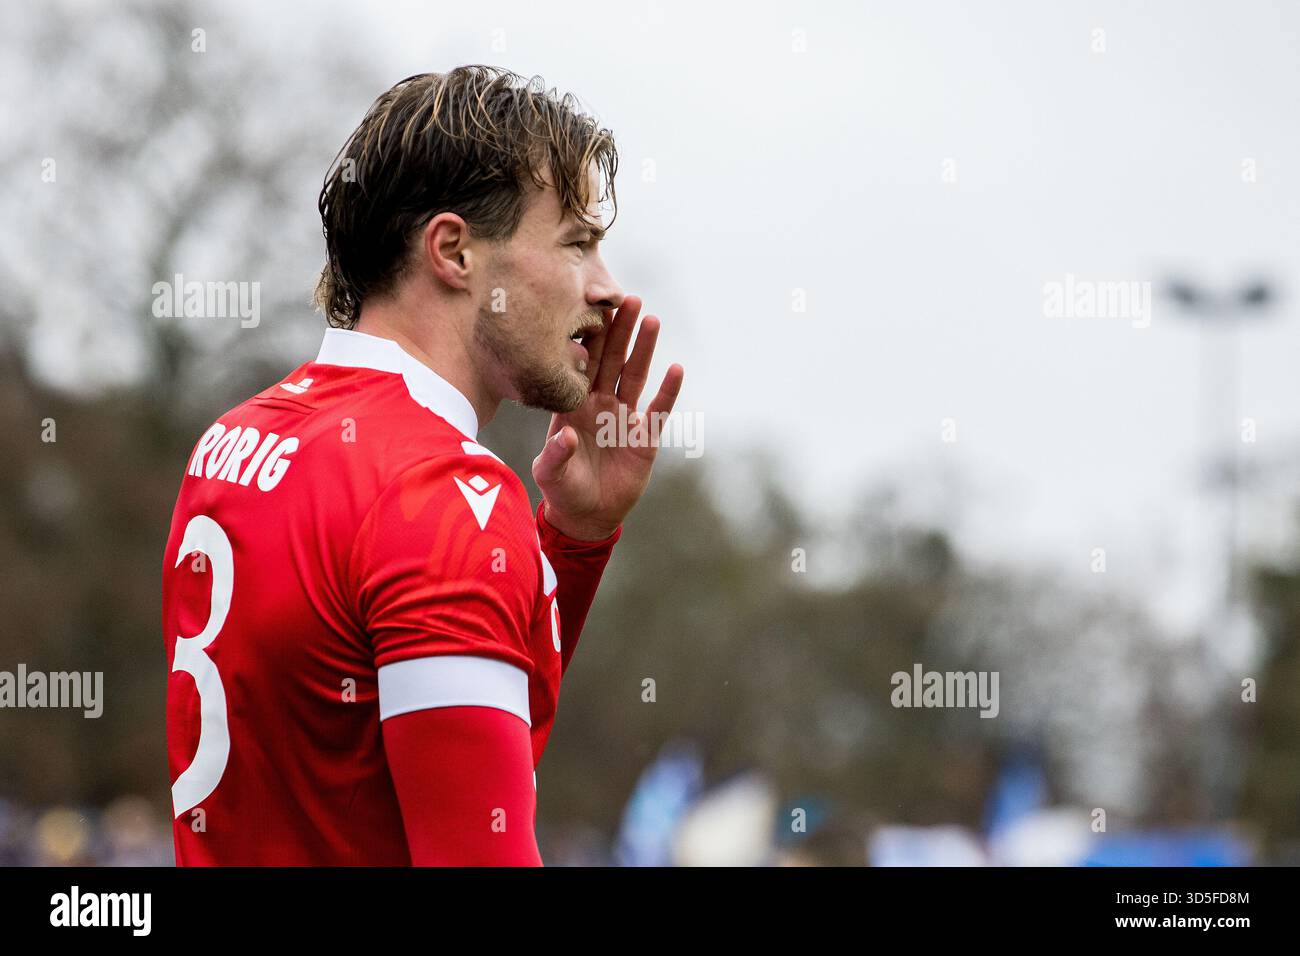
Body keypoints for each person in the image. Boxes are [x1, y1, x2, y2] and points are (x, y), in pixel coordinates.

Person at [161, 65, 683, 865]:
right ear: (454, 252)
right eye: (577, 242)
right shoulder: (442, 491)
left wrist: (574, 541)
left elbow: (431, 763)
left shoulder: (231, 438)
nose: (608, 288)